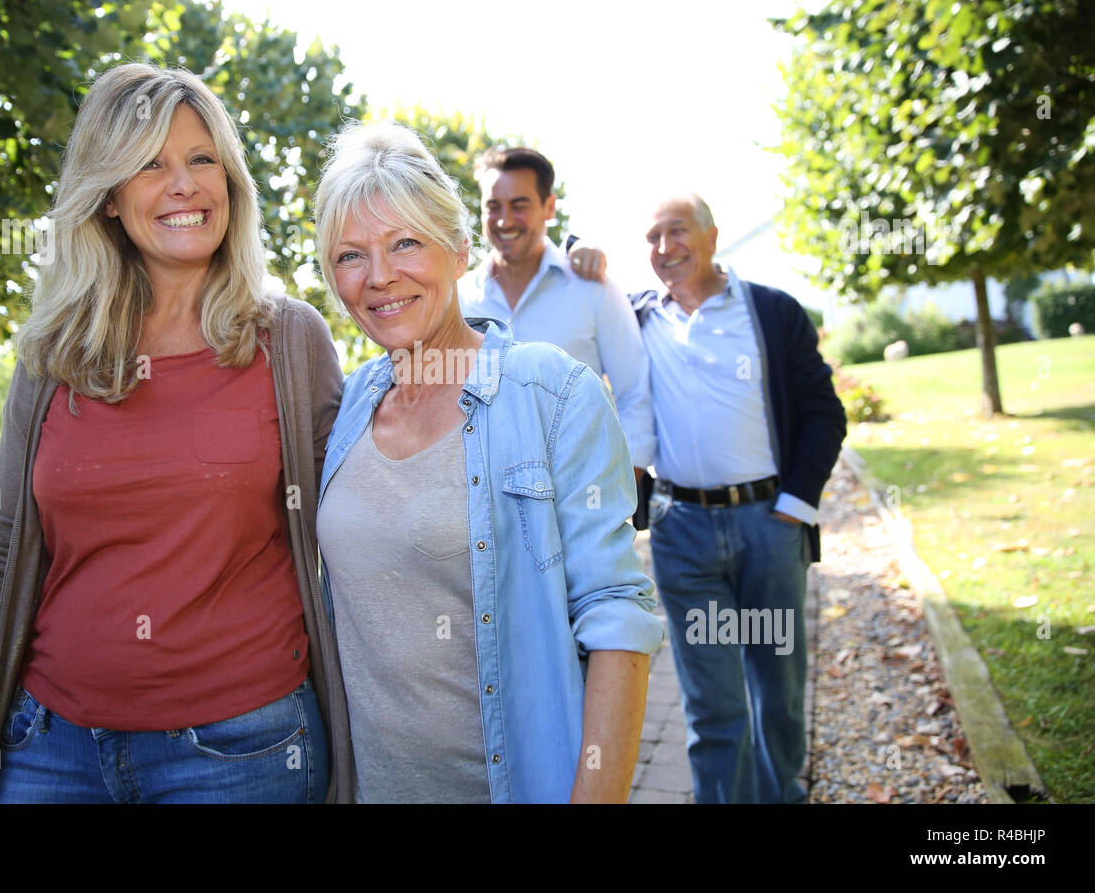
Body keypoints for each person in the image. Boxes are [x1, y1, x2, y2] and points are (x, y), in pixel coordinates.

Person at [0, 63, 354, 803]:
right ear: (109, 198)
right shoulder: (52, 356)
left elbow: (357, 532)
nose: (183, 184)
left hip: (242, 751)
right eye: (151, 164)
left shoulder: (289, 342)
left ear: (231, 181)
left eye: (202, 159)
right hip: (45, 750)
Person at [310, 121, 664, 804]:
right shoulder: (348, 402)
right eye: (351, 255)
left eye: (406, 242)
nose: (380, 276)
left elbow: (618, 614)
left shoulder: (551, 393)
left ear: (459, 248)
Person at [632, 192, 846, 803]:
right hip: (683, 535)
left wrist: (794, 510)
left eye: (677, 232)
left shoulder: (772, 312)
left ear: (712, 235)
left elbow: (823, 414)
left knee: (777, 692)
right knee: (712, 706)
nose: (665, 248)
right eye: (652, 238)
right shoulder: (640, 318)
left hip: (768, 530)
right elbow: (580, 301)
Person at [457, 147, 654, 476]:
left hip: (581, 499)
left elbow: (634, 391)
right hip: (484, 507)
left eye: (519, 206)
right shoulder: (460, 299)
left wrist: (623, 485)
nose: (504, 220)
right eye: (493, 206)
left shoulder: (594, 289)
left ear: (549, 207)